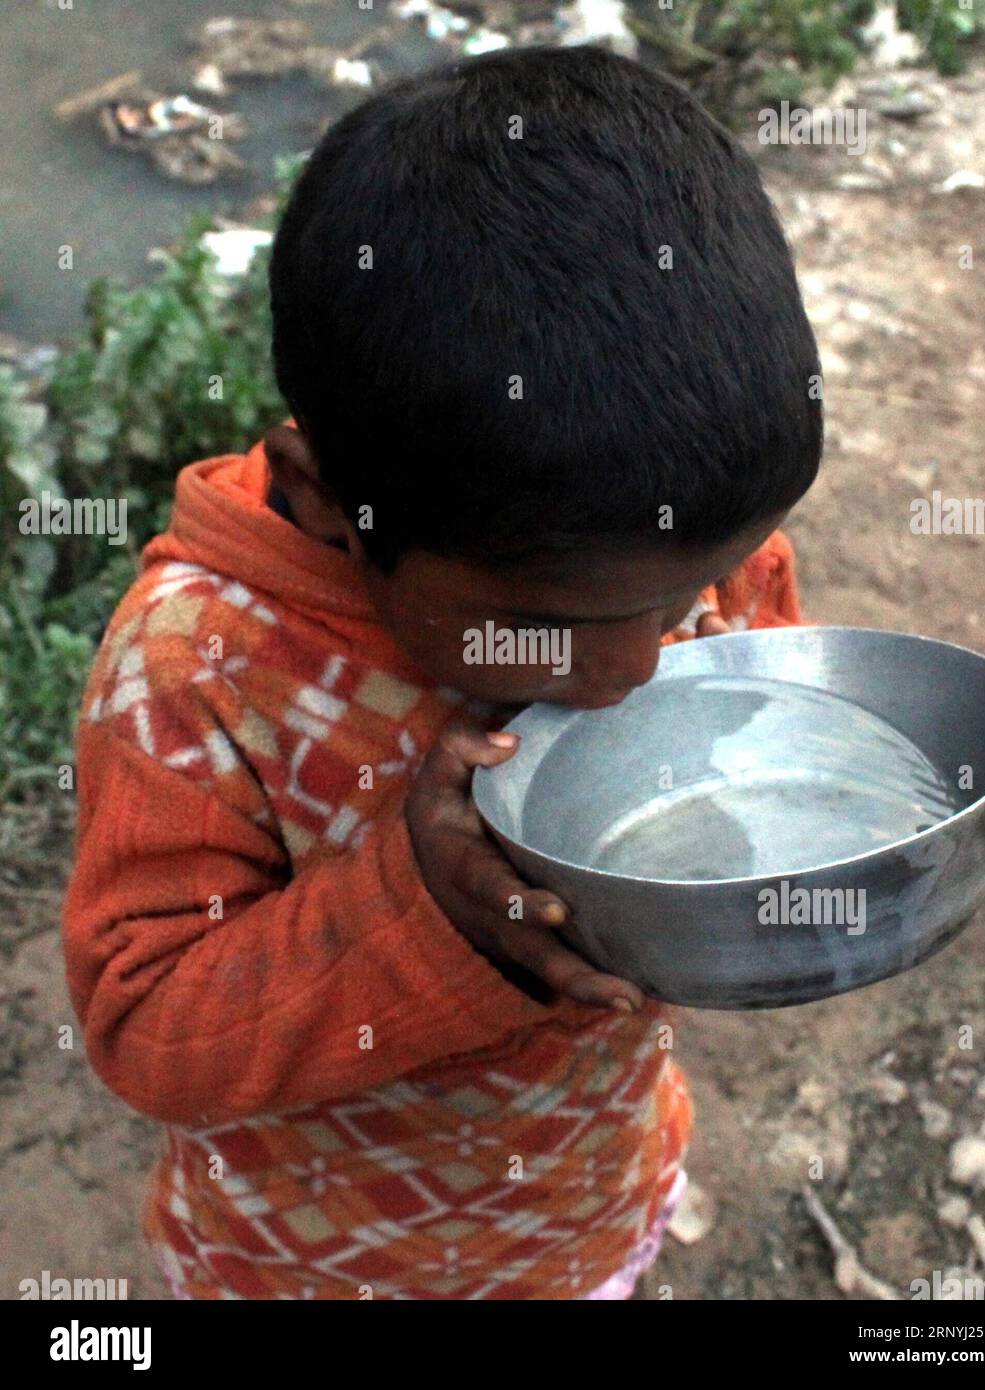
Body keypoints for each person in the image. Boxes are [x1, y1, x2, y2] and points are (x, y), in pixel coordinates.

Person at [62, 43, 821, 1299]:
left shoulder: (670, 537)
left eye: (679, 599)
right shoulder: (200, 669)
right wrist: (416, 912)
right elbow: (146, 1033)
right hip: (312, 1266)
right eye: (544, 625)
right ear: (330, 502)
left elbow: (767, 711)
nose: (632, 669)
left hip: (590, 1198)